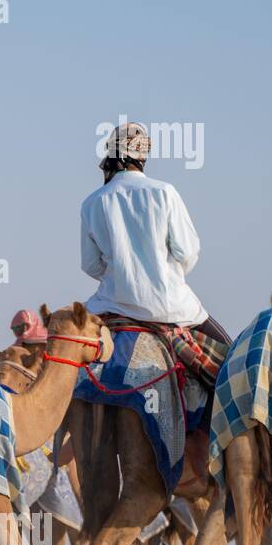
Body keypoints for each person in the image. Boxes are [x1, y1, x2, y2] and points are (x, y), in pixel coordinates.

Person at [80, 121, 229, 386]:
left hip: (112, 306)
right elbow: (187, 251)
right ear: (144, 157)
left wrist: (122, 275)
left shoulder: (93, 202)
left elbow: (91, 265)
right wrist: (163, 274)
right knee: (234, 363)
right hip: (172, 309)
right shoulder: (164, 192)